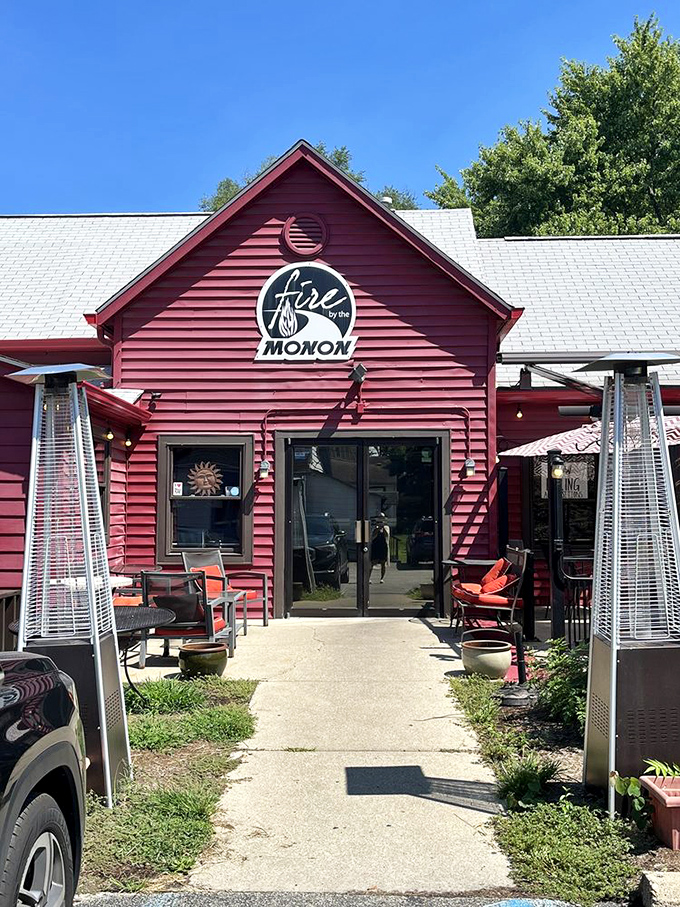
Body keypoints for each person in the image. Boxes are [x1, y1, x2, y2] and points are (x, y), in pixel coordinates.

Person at [370, 513, 390, 584]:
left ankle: (382, 578)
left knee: (383, 563)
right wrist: (377, 528)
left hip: (383, 546)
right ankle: (369, 578)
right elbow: (373, 536)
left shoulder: (386, 527)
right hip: (375, 546)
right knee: (372, 562)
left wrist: (383, 527)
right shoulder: (374, 527)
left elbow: (387, 535)